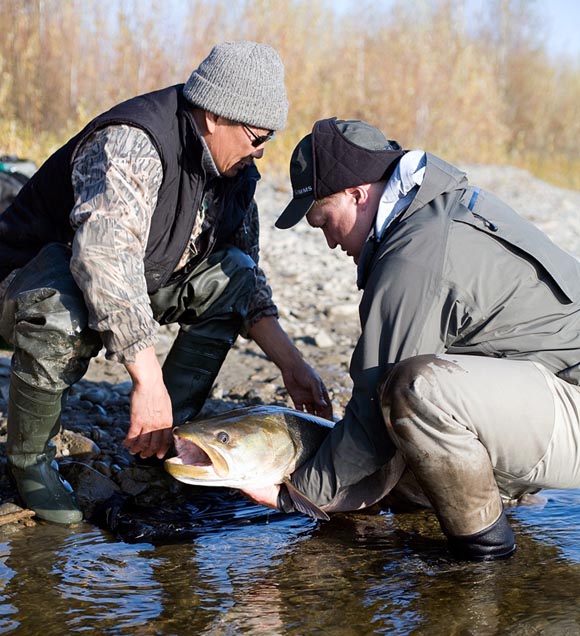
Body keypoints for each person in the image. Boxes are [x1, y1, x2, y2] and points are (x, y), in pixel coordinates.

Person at [0, 41, 331, 526]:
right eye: (256, 137)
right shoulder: (133, 141)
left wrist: (293, 364)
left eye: (268, 141)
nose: (260, 152)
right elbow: (102, 260)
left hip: (138, 277)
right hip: (22, 287)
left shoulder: (235, 170)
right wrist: (147, 379)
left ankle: (166, 437)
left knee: (232, 271)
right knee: (62, 309)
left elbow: (245, 283)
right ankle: (30, 462)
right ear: (215, 116)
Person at [242, 116, 580, 561]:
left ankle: (483, 558)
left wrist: (296, 493)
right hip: (547, 392)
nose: (327, 242)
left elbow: (373, 398)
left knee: (417, 390)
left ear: (358, 195)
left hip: (568, 405)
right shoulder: (433, 209)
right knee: (403, 441)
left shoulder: (414, 253)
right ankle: (461, 510)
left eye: (324, 220)